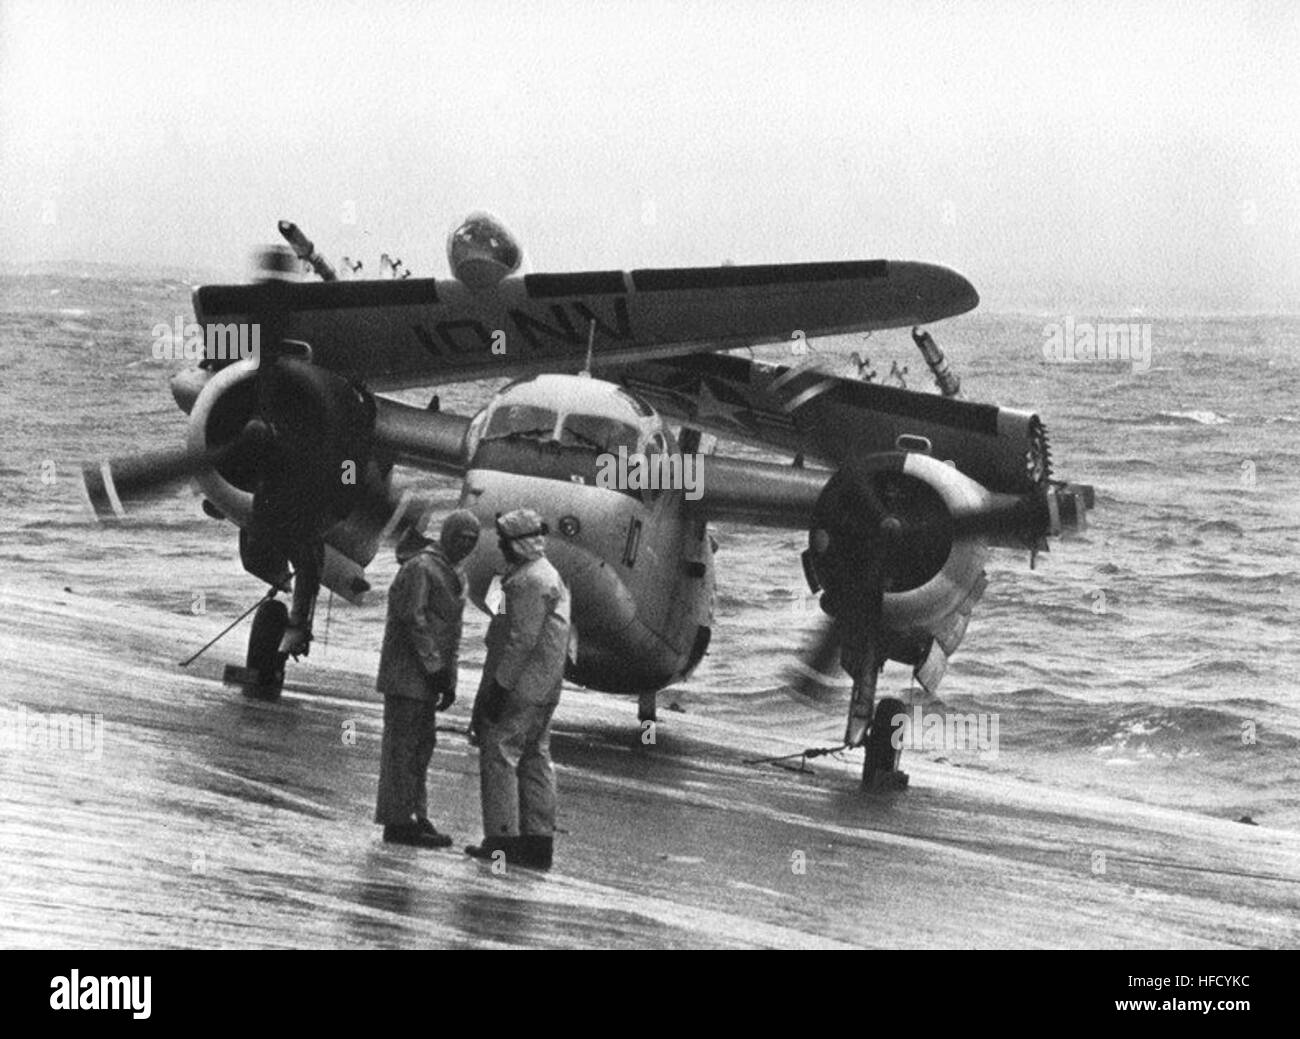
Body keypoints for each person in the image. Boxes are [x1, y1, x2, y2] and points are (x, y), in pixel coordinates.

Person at [466, 508, 571, 870]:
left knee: (500, 753)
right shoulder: (548, 576)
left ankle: (502, 839)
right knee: (536, 758)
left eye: (504, 542)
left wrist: (498, 686)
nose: (501, 548)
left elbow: (519, 641)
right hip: (546, 685)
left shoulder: (527, 582)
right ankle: (538, 841)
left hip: (522, 686)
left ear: (518, 543)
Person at [374, 508, 481, 848]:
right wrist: (435, 668)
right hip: (407, 675)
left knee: (422, 747)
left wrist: (447, 679)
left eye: (473, 541)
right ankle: (397, 820)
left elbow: (451, 632)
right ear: (447, 535)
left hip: (427, 678)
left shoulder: (452, 572)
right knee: (402, 748)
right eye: (462, 538)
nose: (467, 546)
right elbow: (412, 620)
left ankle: (415, 815)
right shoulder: (421, 567)